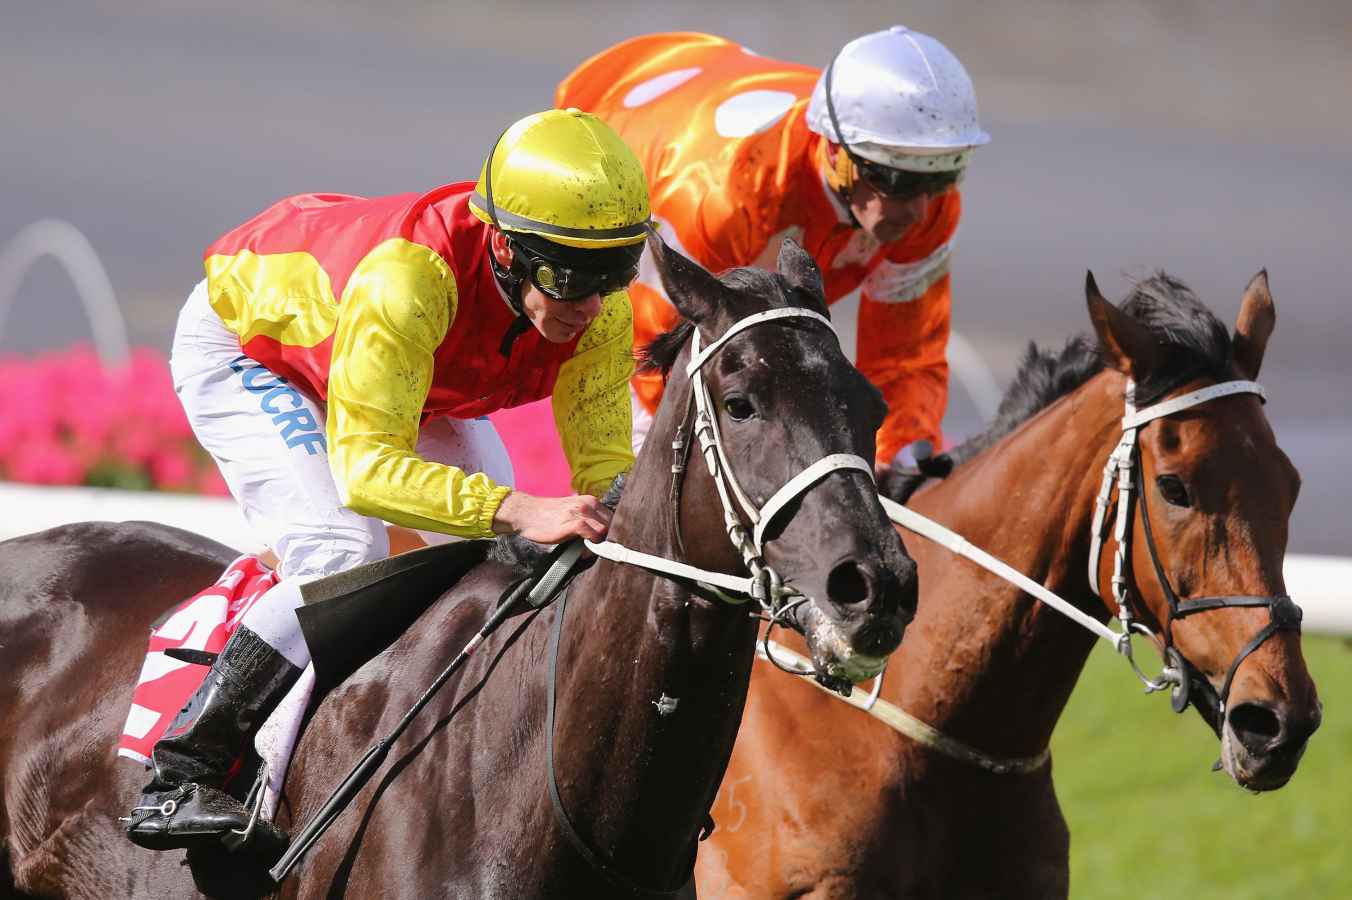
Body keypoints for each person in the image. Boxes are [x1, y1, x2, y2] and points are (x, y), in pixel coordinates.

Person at [123, 108, 649, 850]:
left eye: (615, 273)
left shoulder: (596, 308)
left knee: (484, 551)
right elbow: (368, 471)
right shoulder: (408, 282)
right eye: (568, 277)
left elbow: (606, 471)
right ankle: (184, 771)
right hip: (253, 350)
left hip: (406, 368)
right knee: (343, 546)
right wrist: (517, 505)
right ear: (504, 245)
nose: (591, 304)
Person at [557, 27, 989, 468]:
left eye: (940, 179)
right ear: (836, 150)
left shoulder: (929, 204)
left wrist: (901, 461)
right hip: (627, 121)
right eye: (896, 180)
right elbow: (651, 356)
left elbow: (905, 358)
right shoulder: (731, 195)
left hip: (720, 93)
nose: (917, 210)